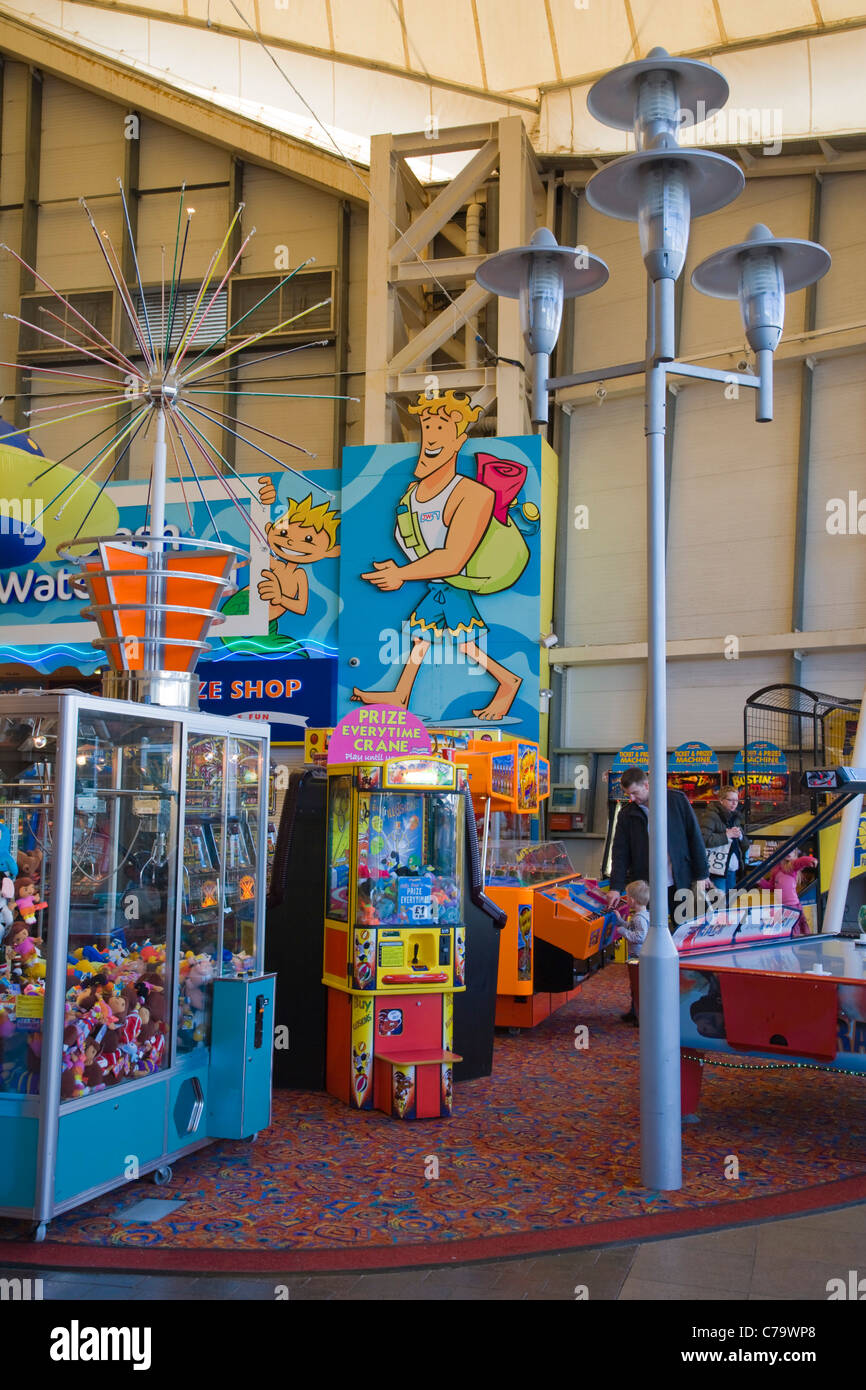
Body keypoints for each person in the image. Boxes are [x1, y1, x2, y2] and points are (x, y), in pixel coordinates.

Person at [606, 766, 710, 925]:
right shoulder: (627, 814)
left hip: (680, 878)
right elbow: (620, 853)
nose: (632, 798)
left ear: (646, 785)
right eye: (628, 794)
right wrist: (615, 887)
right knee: (648, 927)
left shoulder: (677, 801)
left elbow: (694, 836)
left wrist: (702, 873)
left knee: (684, 926)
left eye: (635, 793)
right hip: (646, 884)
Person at [699, 786, 750, 903]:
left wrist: (740, 836)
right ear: (721, 800)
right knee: (719, 905)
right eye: (730, 800)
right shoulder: (710, 816)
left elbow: (745, 844)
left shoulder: (735, 818)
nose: (734, 803)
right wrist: (726, 835)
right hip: (717, 870)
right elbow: (702, 839)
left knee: (729, 905)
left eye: (736, 800)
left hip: (732, 869)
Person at [611, 879, 650, 1025]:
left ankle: (639, 1016)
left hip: (638, 957)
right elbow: (633, 927)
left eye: (626, 896)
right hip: (639, 957)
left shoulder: (639, 918)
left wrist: (622, 931)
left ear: (632, 900)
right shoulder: (643, 915)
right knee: (636, 987)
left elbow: (639, 936)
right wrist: (622, 921)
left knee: (637, 987)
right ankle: (635, 1012)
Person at [758, 846, 817, 936]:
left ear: (795, 854)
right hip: (781, 906)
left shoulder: (791, 867)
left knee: (794, 928)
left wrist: (810, 860)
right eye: (786, 851)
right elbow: (772, 887)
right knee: (786, 929)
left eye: (792, 851)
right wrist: (761, 881)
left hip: (792, 905)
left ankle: (795, 944)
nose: (789, 853)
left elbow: (800, 862)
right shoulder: (776, 870)